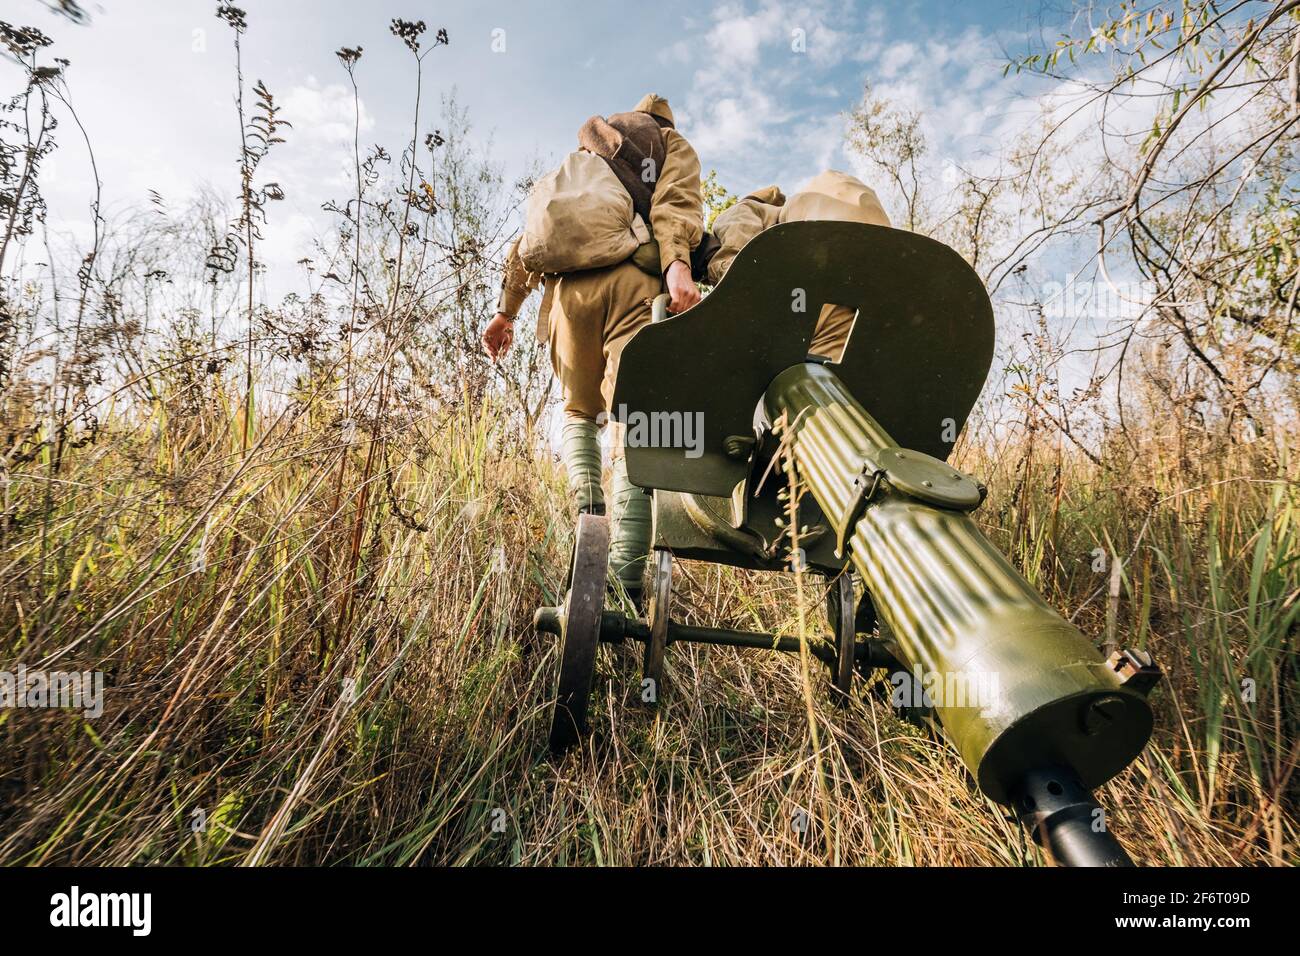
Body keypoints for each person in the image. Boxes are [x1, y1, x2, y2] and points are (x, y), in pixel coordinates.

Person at [482, 94, 704, 610]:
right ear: (666, 122)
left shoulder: (590, 150)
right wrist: (677, 266)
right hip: (633, 286)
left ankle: (587, 522)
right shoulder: (670, 143)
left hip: (568, 295)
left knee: (579, 411)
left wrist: (506, 311)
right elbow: (676, 204)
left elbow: (534, 238)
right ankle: (622, 588)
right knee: (634, 420)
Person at [708, 170, 890, 361]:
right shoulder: (818, 197)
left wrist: (728, 284)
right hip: (876, 258)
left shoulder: (745, 208)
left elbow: (737, 252)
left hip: (822, 255)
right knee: (828, 365)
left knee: (795, 363)